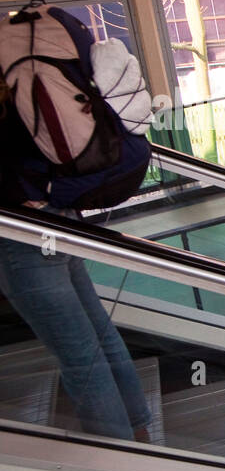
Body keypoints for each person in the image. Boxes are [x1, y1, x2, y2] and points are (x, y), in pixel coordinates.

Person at [0, 94, 151, 443]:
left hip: (21, 229)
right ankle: (139, 436)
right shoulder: (21, 73)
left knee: (81, 357)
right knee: (100, 336)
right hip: (60, 217)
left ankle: (121, 459)